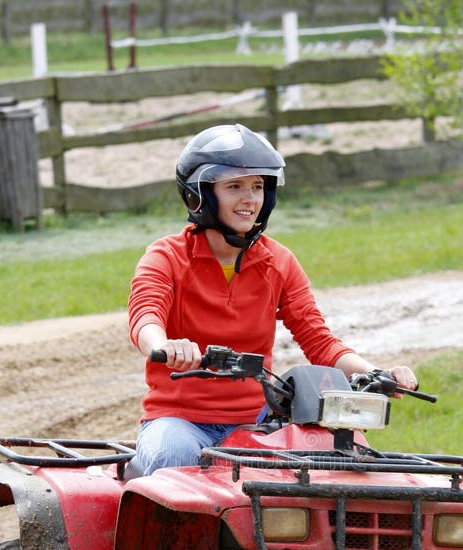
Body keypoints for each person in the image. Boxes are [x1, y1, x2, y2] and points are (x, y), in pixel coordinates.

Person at [128, 123, 417, 475]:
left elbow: (319, 341)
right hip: (179, 421)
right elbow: (146, 316)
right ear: (199, 194)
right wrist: (166, 346)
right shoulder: (166, 256)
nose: (249, 198)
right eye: (234, 186)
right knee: (173, 462)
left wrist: (376, 372)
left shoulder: (278, 261)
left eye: (258, 186)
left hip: (257, 421)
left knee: (341, 456)